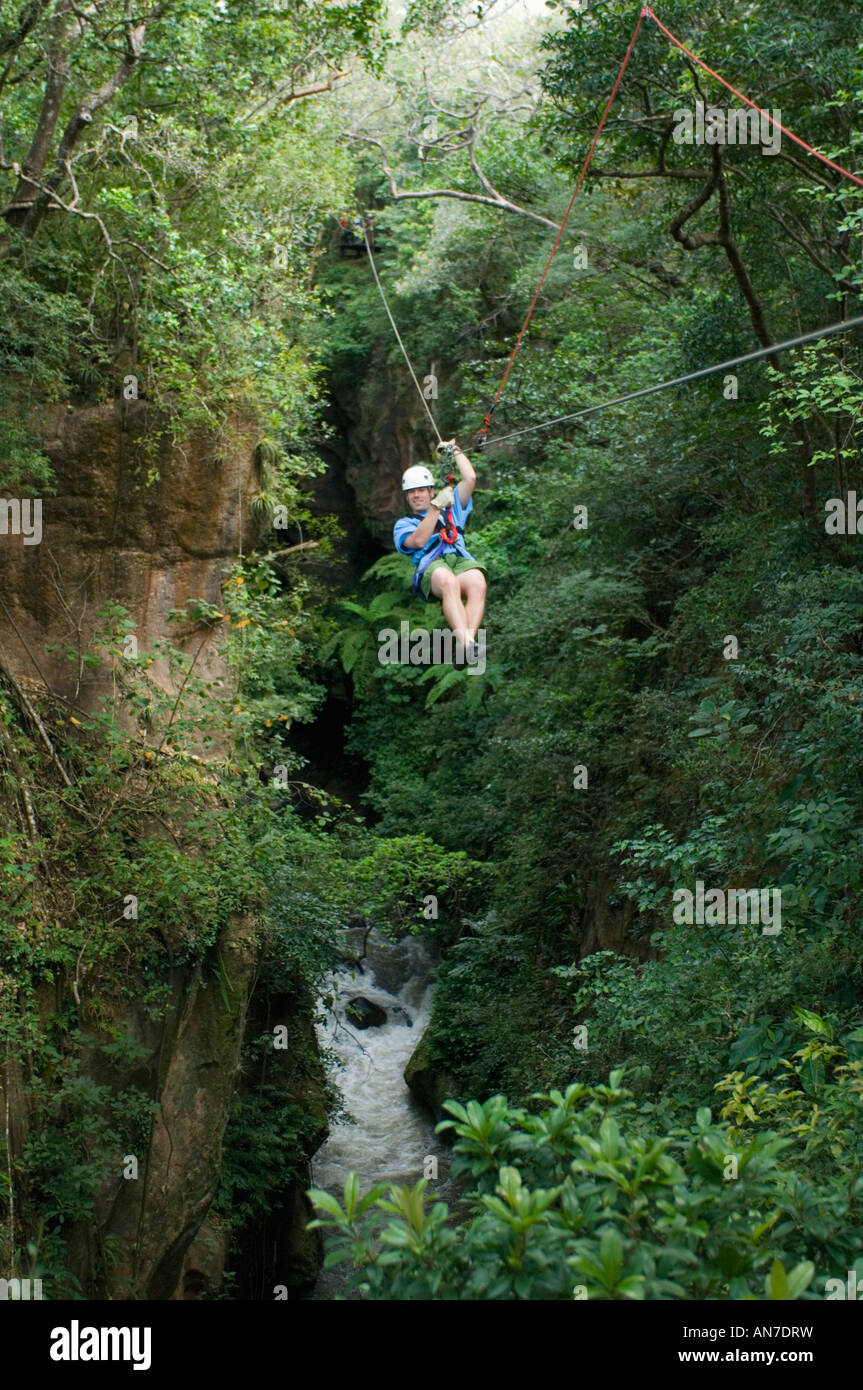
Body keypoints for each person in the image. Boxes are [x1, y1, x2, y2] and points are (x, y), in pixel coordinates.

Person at [393, 440, 487, 658]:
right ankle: (467, 644)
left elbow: (470, 478)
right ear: (407, 497)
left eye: (421, 491)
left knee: (477, 581)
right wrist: (436, 507)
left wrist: (455, 451)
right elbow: (418, 541)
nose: (416, 495)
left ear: (430, 490)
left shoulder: (452, 505)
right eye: (411, 492)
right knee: (448, 582)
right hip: (432, 566)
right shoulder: (404, 525)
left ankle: (468, 645)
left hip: (458, 558)